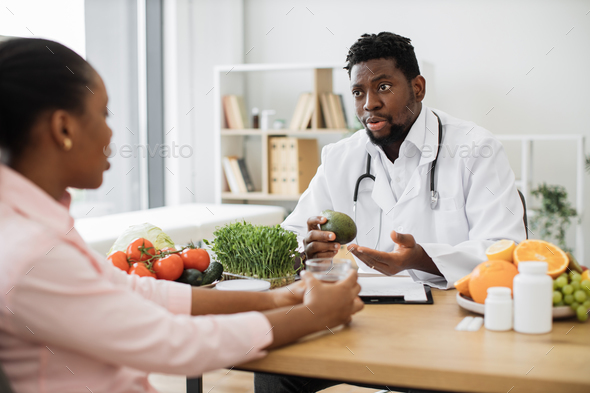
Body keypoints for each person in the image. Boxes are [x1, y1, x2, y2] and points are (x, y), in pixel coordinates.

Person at [0, 38, 364, 392]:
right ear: (63, 127)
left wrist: (277, 298)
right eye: (103, 114)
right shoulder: (30, 251)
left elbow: (134, 291)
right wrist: (313, 315)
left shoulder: (30, 227)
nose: (112, 132)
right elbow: (175, 344)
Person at [254, 32, 525, 392]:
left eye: (383, 87)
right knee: (274, 369)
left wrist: (422, 259)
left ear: (418, 87)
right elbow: (291, 232)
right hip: (356, 314)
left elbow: (505, 248)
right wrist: (308, 246)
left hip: (444, 320)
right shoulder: (341, 157)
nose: (369, 104)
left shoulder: (476, 149)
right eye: (358, 92)